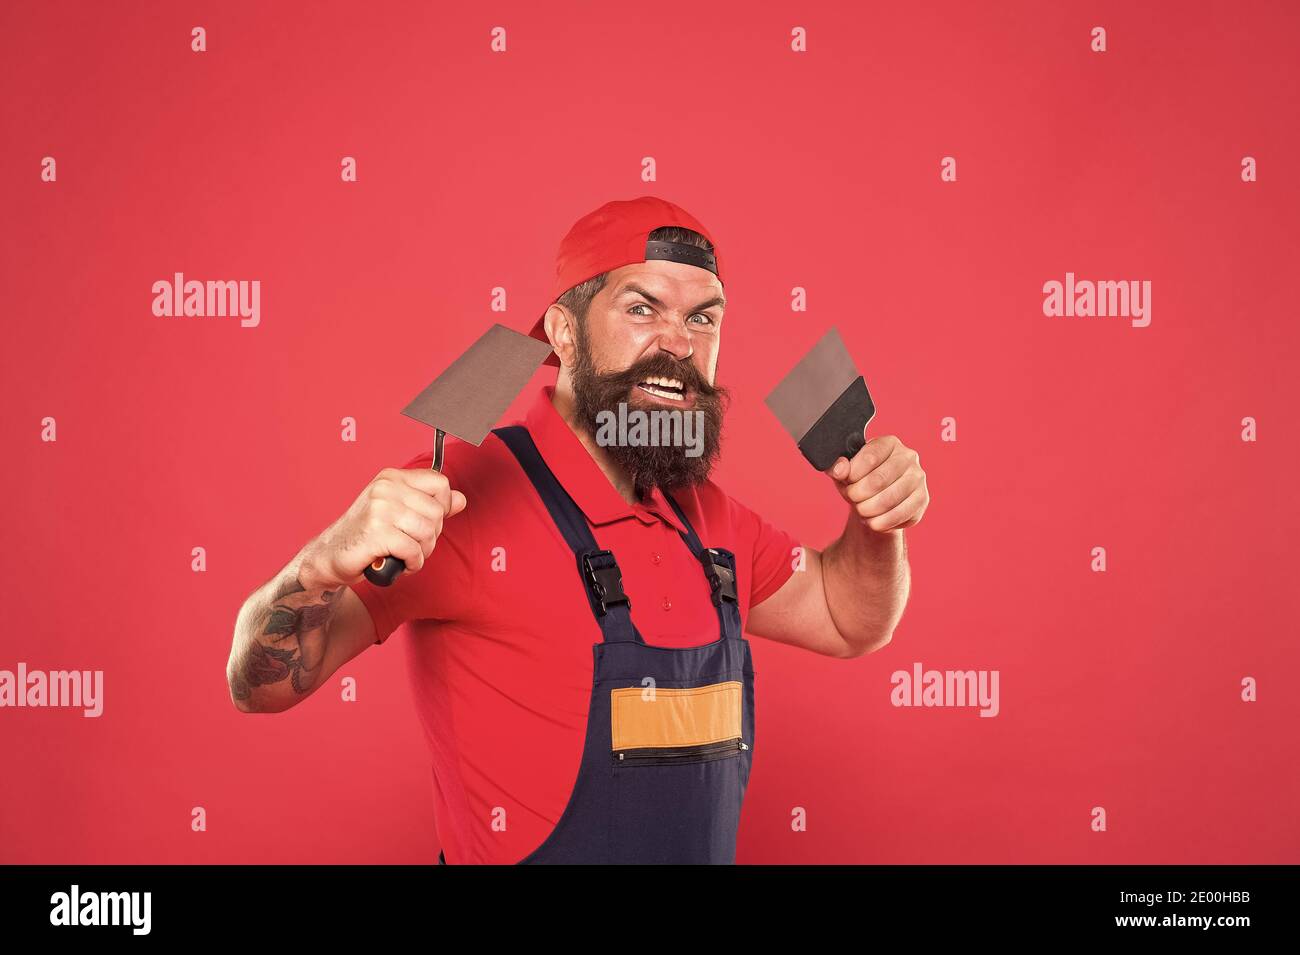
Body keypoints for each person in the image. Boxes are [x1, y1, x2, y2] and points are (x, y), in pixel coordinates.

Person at [225, 195, 930, 864]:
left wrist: (878, 522)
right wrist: (321, 564)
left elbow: (847, 617)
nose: (677, 344)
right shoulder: (458, 500)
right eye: (642, 307)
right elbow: (259, 686)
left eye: (703, 318)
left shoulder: (708, 517)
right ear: (562, 332)